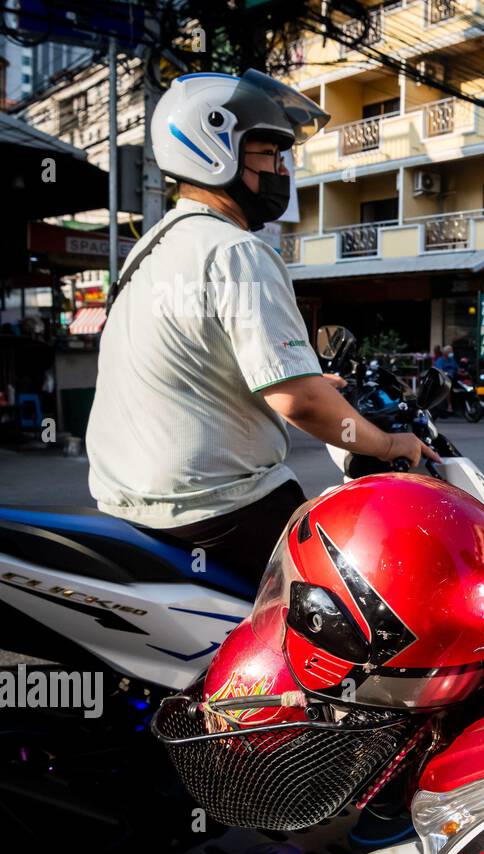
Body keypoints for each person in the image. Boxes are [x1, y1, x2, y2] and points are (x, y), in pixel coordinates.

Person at [86, 71, 435, 588]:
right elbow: (300, 403)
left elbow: (199, 366)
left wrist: (312, 385)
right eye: (269, 155)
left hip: (126, 498)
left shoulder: (148, 250)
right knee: (362, 598)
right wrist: (388, 445)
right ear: (214, 147)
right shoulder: (237, 252)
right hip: (216, 507)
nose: (281, 171)